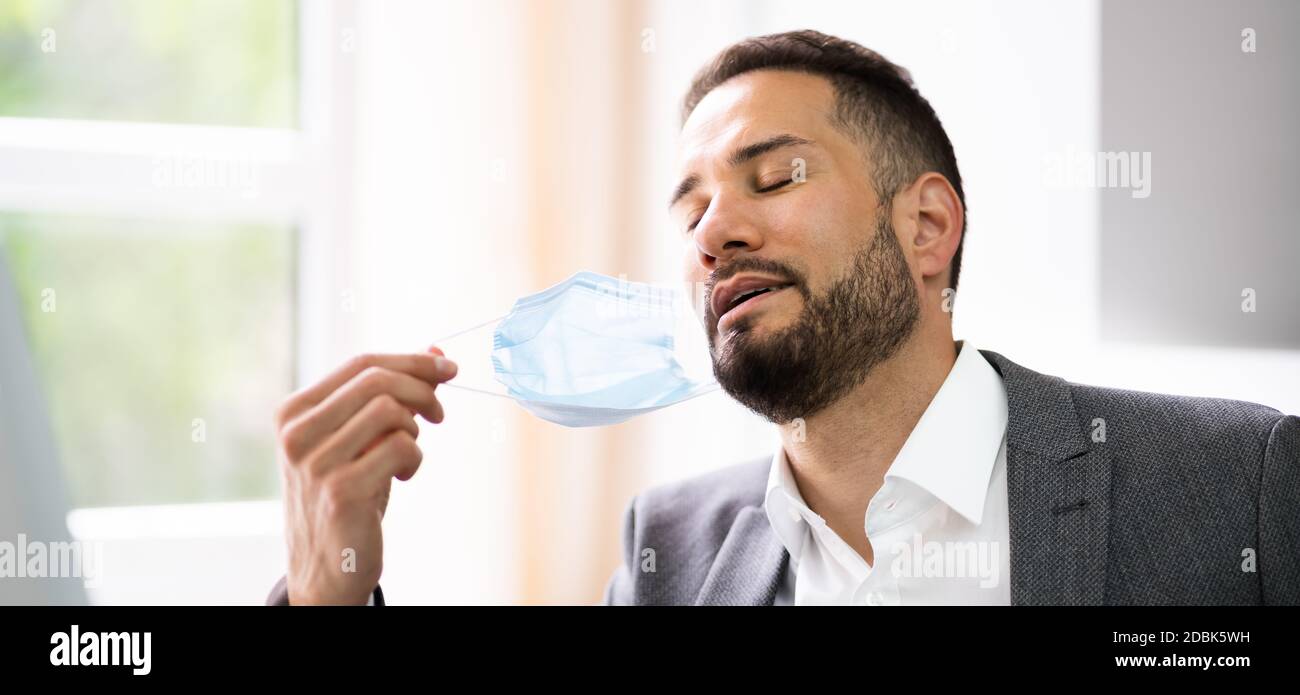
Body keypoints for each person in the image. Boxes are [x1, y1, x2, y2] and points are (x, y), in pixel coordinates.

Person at [267, 30, 1299, 606]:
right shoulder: (670, 548)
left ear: (927, 225)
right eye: (690, 207)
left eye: (774, 175)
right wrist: (327, 590)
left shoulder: (1236, 484)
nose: (714, 232)